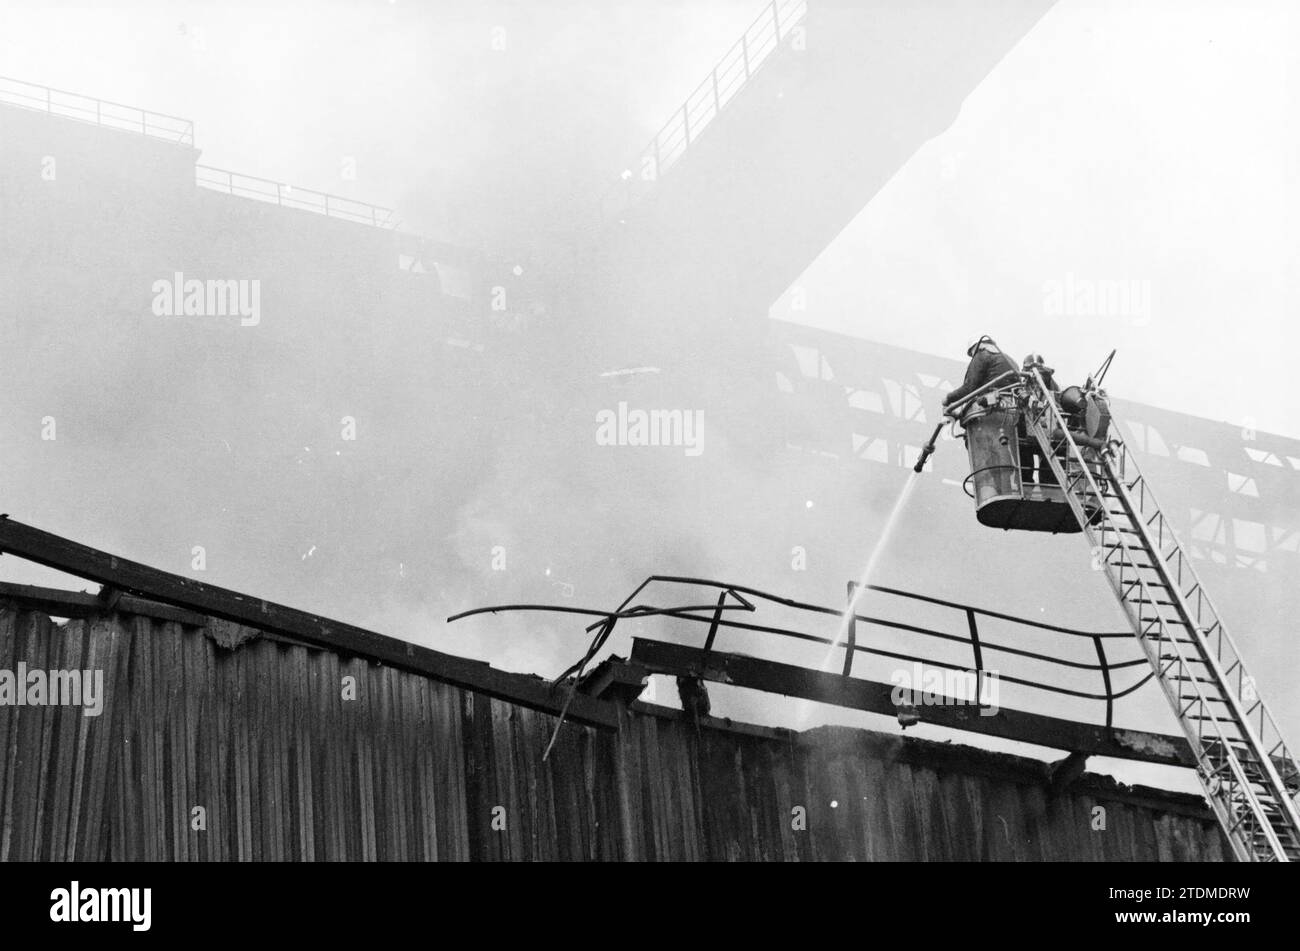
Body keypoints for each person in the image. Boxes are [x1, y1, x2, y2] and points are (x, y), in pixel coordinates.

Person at [942, 335, 1018, 410]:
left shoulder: (982, 355)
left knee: (964, 413)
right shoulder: (1011, 360)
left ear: (976, 346)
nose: (973, 356)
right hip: (1013, 410)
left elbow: (968, 388)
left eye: (972, 354)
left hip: (989, 409)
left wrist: (948, 398)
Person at [1018, 353, 1059, 485]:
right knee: (1025, 453)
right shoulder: (1024, 384)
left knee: (1044, 457)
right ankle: (1029, 482)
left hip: (1046, 425)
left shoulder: (1050, 384)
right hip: (1032, 426)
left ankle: (1042, 483)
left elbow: (1057, 403)